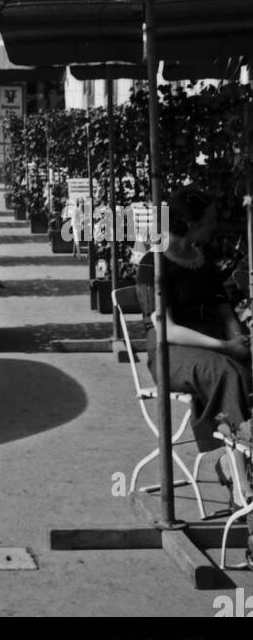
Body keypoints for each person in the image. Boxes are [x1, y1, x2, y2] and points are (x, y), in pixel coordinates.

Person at [136, 188, 253, 561]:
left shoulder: (202, 258)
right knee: (225, 372)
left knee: (241, 363)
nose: (215, 225)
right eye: (210, 219)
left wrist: (237, 336)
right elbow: (166, 329)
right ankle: (243, 482)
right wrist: (224, 348)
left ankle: (228, 456)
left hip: (212, 339)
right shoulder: (153, 263)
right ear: (190, 224)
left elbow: (221, 305)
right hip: (172, 350)